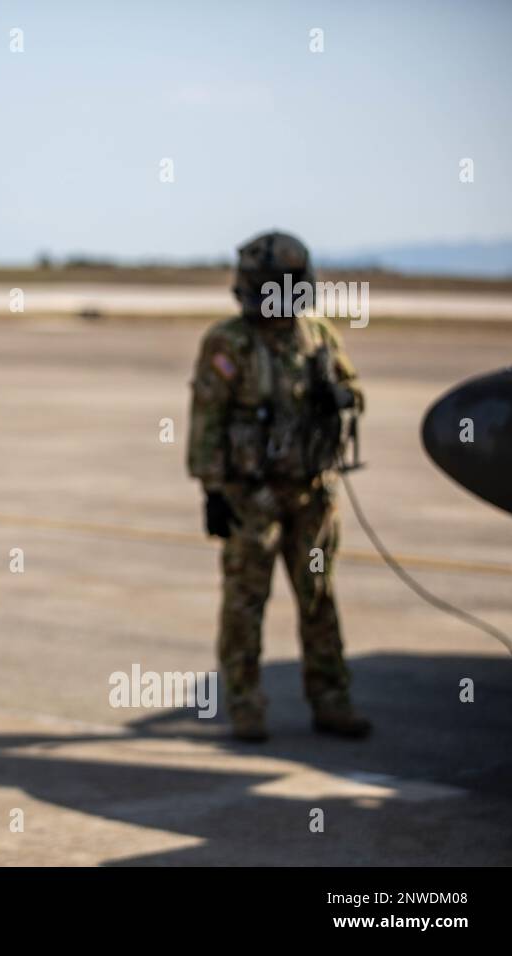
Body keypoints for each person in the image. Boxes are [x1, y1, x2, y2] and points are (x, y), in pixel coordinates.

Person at [187, 230, 372, 742]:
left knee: (319, 598)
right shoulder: (229, 342)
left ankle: (332, 700)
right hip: (253, 498)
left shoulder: (317, 335)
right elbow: (208, 418)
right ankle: (246, 706)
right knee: (246, 601)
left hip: (312, 493)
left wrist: (340, 395)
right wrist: (213, 491)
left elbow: (354, 392)